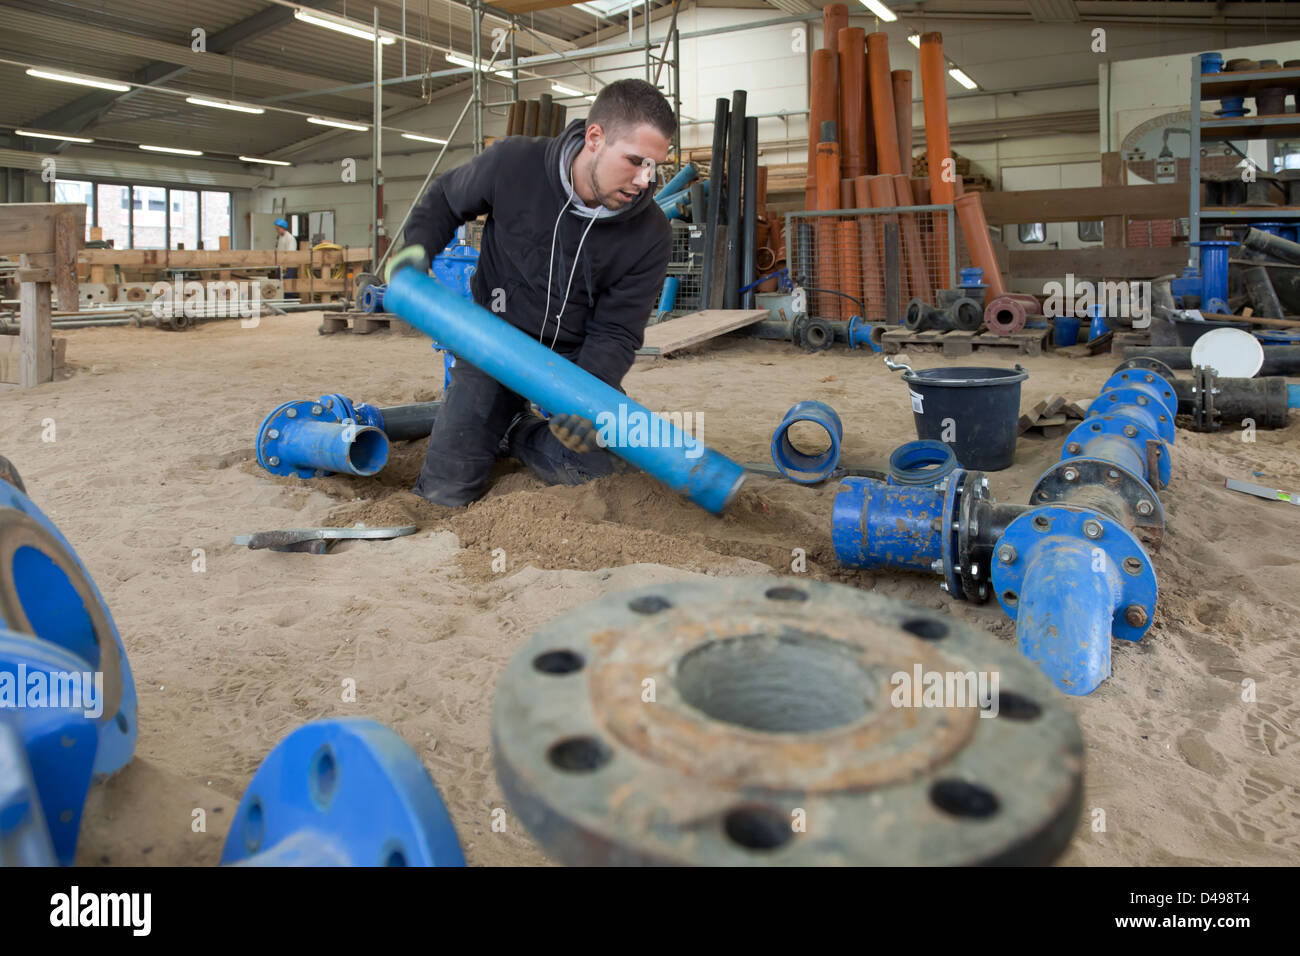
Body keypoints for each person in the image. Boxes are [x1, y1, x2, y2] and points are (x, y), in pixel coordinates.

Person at [386, 78, 675, 507]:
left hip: (574, 361)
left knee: (607, 475)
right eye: (634, 161)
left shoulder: (650, 232)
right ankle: (493, 418)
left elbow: (617, 331)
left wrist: (587, 394)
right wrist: (414, 252)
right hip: (492, 343)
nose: (644, 180)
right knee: (446, 491)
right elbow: (446, 199)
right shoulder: (514, 163)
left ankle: (518, 432)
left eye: (654, 166)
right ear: (595, 138)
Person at [274, 217, 299, 300]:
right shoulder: (280, 238)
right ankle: (281, 299)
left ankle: (289, 301)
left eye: (278, 229)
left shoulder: (290, 238)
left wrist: (285, 263)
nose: (277, 230)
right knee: (280, 284)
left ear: (282, 228)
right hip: (280, 264)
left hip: (287, 265)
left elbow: (290, 253)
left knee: (287, 284)